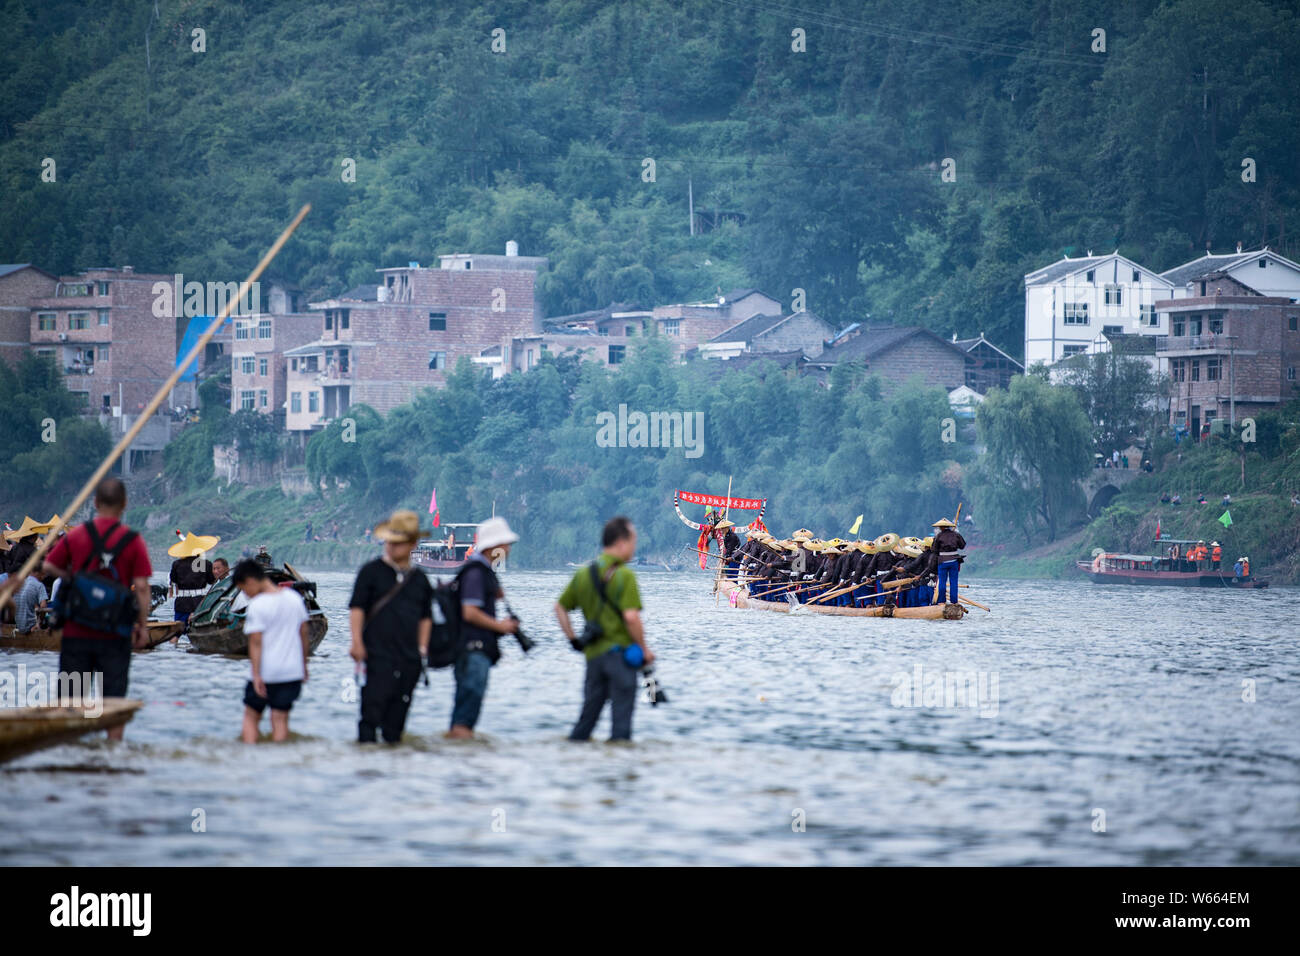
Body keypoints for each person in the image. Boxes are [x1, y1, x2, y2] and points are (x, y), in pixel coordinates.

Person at [41, 478, 152, 739]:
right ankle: (112, 757)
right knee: (113, 704)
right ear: (124, 504)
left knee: (70, 702)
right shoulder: (132, 540)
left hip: (76, 635)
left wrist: (74, 578)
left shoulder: (77, 535)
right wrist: (143, 626)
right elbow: (143, 587)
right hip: (115, 636)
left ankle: (71, 757)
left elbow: (48, 567)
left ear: (95, 503)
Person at [555, 516, 653, 742]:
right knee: (621, 727)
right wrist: (644, 649)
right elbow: (631, 618)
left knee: (586, 721)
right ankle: (616, 767)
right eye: (633, 542)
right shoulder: (624, 575)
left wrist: (574, 640)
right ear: (621, 543)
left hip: (593, 658)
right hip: (620, 659)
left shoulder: (583, 574)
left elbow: (560, 608)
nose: (634, 547)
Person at [348, 509, 433, 743]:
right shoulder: (370, 572)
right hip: (376, 654)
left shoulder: (420, 579)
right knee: (369, 718)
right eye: (389, 542)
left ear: (413, 544)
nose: (392, 547)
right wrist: (356, 643)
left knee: (396, 724)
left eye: (398, 543)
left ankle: (394, 770)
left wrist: (422, 648)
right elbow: (356, 609)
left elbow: (426, 617)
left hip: (409, 658)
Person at [447, 516, 520, 739]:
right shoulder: (476, 573)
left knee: (466, 715)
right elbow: (469, 612)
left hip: (476, 651)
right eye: (505, 543)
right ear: (494, 546)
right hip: (473, 651)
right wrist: (501, 627)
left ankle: (460, 756)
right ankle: (462, 759)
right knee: (465, 718)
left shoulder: (483, 572)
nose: (508, 548)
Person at [233, 559, 310, 743]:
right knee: (280, 719)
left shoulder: (258, 605)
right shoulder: (294, 598)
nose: (246, 594)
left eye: (244, 589)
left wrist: (256, 674)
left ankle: (250, 755)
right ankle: (279, 762)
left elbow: (256, 642)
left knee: (251, 716)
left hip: (267, 672)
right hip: (291, 672)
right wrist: (304, 666)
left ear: (250, 581)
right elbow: (304, 635)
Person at [168, 532, 219, 624]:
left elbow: (174, 581)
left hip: (182, 603)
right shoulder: (204, 563)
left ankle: (175, 637)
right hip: (199, 604)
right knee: (200, 627)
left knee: (177, 632)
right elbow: (212, 581)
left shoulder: (177, 564)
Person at [931, 518, 965, 605]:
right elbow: (962, 546)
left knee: (942, 581)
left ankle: (942, 601)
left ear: (941, 527)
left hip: (943, 561)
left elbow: (934, 550)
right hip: (954, 561)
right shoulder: (956, 535)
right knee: (954, 582)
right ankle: (954, 602)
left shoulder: (938, 536)